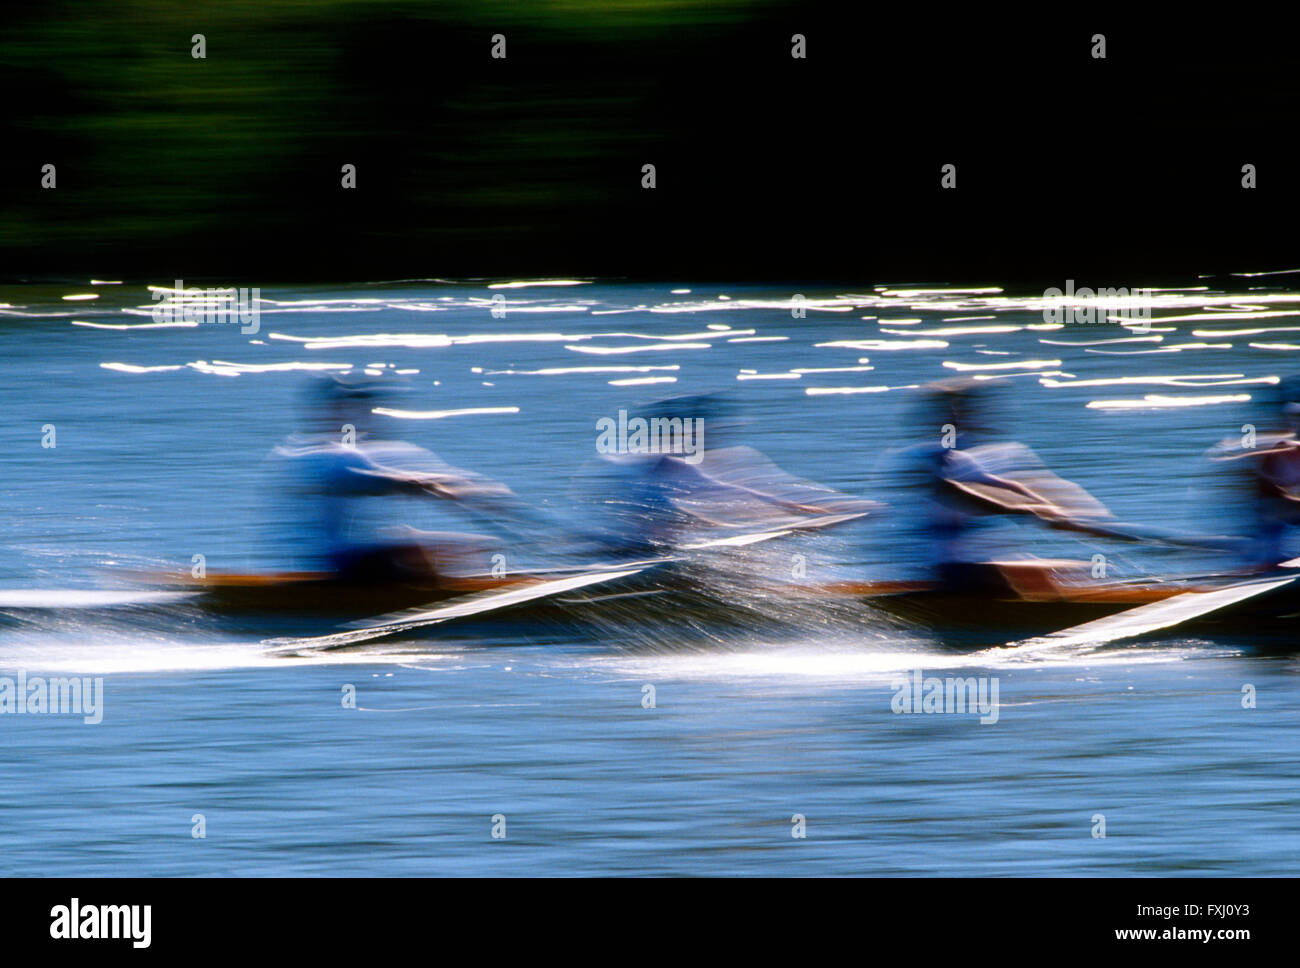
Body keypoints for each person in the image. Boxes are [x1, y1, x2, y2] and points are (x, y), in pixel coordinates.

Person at [275, 375, 513, 583]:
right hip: (327, 562)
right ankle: (442, 602)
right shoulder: (313, 454)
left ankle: (456, 593)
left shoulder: (346, 452)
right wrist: (421, 485)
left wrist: (464, 488)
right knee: (414, 549)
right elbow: (367, 480)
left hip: (340, 557)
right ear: (328, 411)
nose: (361, 415)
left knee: (471, 545)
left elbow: (389, 475)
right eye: (347, 407)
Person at [896, 379, 1115, 592]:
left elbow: (1001, 486)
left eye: (959, 415)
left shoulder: (958, 459)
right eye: (952, 416)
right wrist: (1022, 511)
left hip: (973, 563)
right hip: (943, 570)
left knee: (1077, 571)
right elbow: (956, 494)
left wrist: (1054, 510)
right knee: (1037, 576)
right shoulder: (921, 461)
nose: (959, 421)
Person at [1206, 377, 1300, 570]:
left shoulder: (1280, 446)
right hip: (1264, 513)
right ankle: (1262, 564)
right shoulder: (1271, 450)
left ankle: (1262, 560)